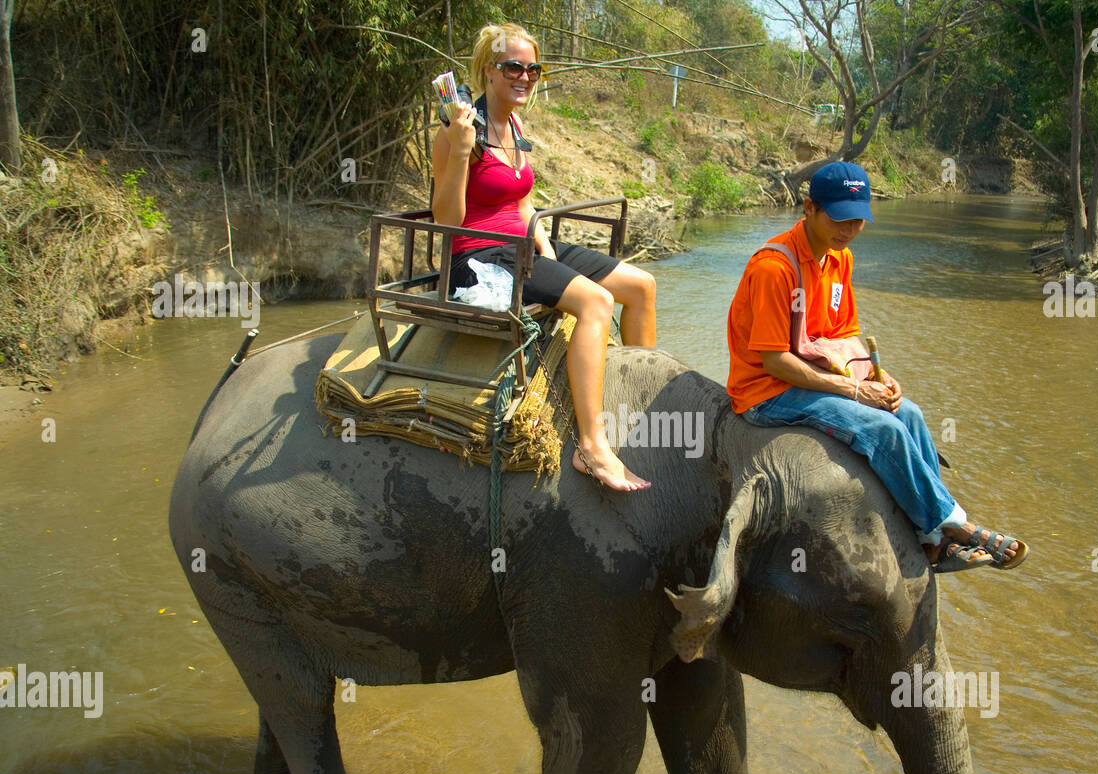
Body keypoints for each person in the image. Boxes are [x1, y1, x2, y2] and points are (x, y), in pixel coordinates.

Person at [725, 161, 1028, 572]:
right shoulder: (774, 269)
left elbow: (845, 333)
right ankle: (954, 524)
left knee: (910, 414)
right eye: (839, 218)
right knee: (882, 428)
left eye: (858, 220)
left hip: (818, 376)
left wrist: (876, 377)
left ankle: (931, 539)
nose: (848, 230)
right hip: (766, 391)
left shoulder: (839, 261)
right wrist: (853, 390)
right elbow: (775, 361)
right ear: (808, 208)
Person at [432, 22, 657, 492]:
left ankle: (640, 399)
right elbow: (447, 220)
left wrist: (544, 244)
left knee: (641, 287)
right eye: (514, 66)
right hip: (479, 257)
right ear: (487, 71)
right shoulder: (457, 131)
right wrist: (459, 151)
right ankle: (591, 446)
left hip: (523, 246)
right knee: (596, 302)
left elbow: (521, 198)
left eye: (534, 68)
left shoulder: (514, 123)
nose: (525, 77)